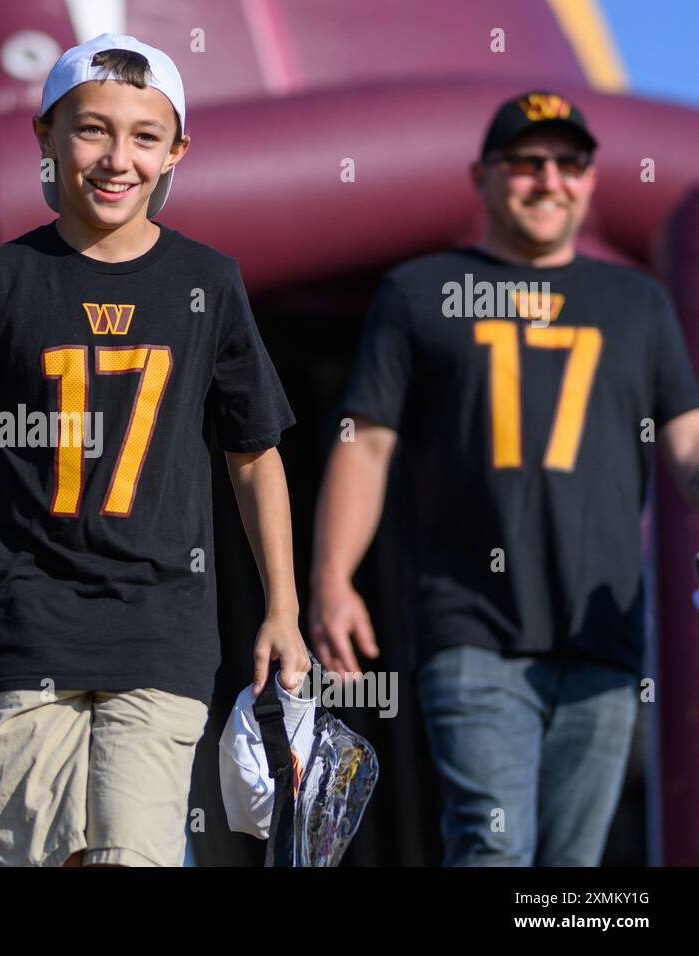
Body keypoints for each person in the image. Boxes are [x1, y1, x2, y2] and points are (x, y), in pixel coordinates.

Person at [0, 34, 310, 868]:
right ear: (45, 134)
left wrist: (285, 610)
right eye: (92, 130)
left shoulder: (209, 282)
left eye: (145, 136)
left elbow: (254, 457)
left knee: (133, 858)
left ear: (176, 151)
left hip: (161, 631)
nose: (118, 158)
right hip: (24, 632)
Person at [308, 90, 699, 866]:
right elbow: (367, 444)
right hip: (471, 626)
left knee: (572, 870)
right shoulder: (420, 292)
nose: (548, 180)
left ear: (590, 181)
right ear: (481, 176)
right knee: (493, 843)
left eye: (569, 164)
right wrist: (330, 578)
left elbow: (687, 443)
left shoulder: (639, 302)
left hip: (605, 637)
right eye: (525, 162)